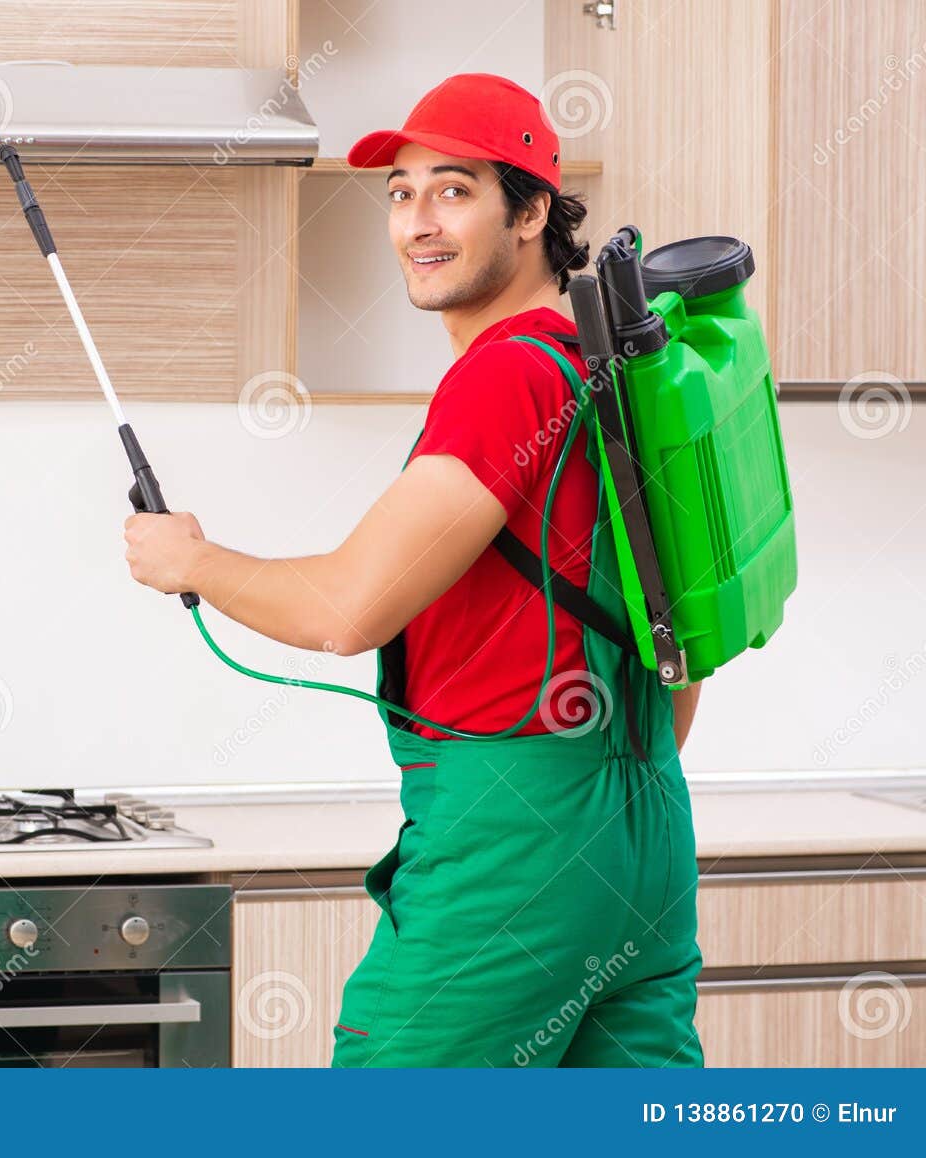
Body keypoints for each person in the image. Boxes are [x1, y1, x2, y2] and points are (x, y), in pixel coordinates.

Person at [123, 73, 704, 1067]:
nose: (417, 222)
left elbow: (348, 609)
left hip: (515, 836)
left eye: (453, 189)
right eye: (400, 192)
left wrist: (195, 560)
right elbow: (686, 641)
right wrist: (609, 785)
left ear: (530, 213)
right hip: (645, 820)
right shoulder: (600, 361)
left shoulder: (508, 373)